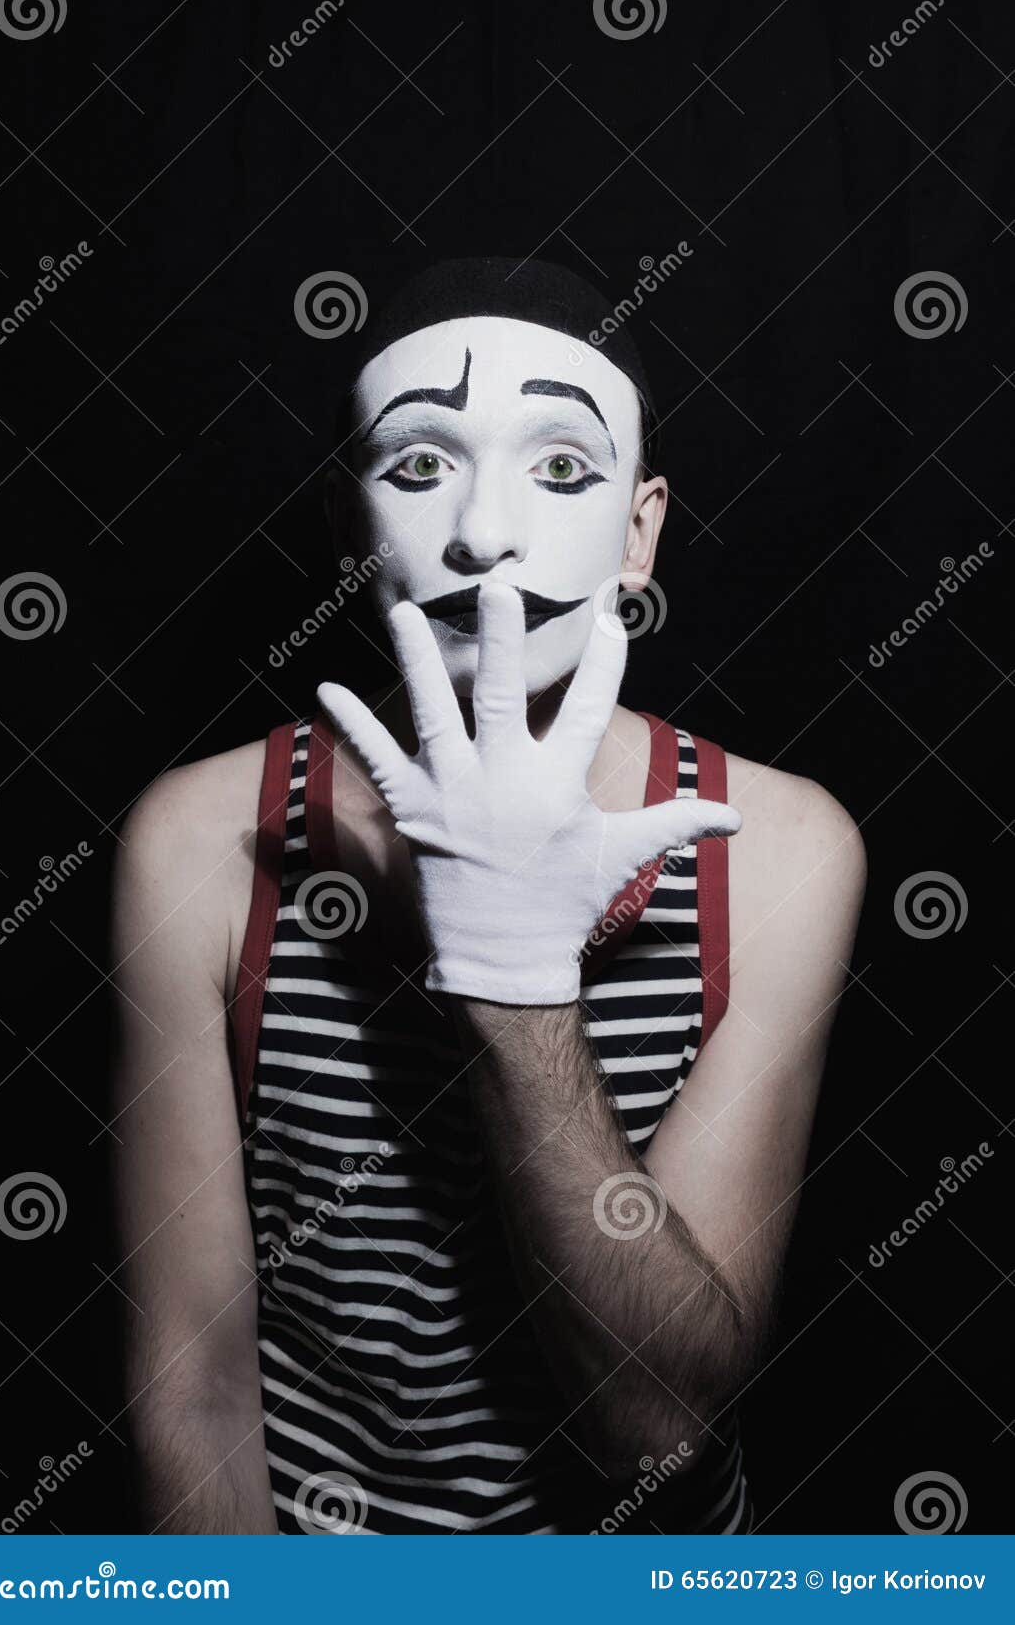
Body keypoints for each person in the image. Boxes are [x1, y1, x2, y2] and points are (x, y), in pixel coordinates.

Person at [111, 258, 866, 1534]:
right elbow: (194, 1387)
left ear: (638, 532)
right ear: (356, 526)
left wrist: (513, 970)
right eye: (418, 467)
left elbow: (657, 1422)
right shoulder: (201, 842)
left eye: (562, 468)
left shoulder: (782, 849)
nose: (481, 532)